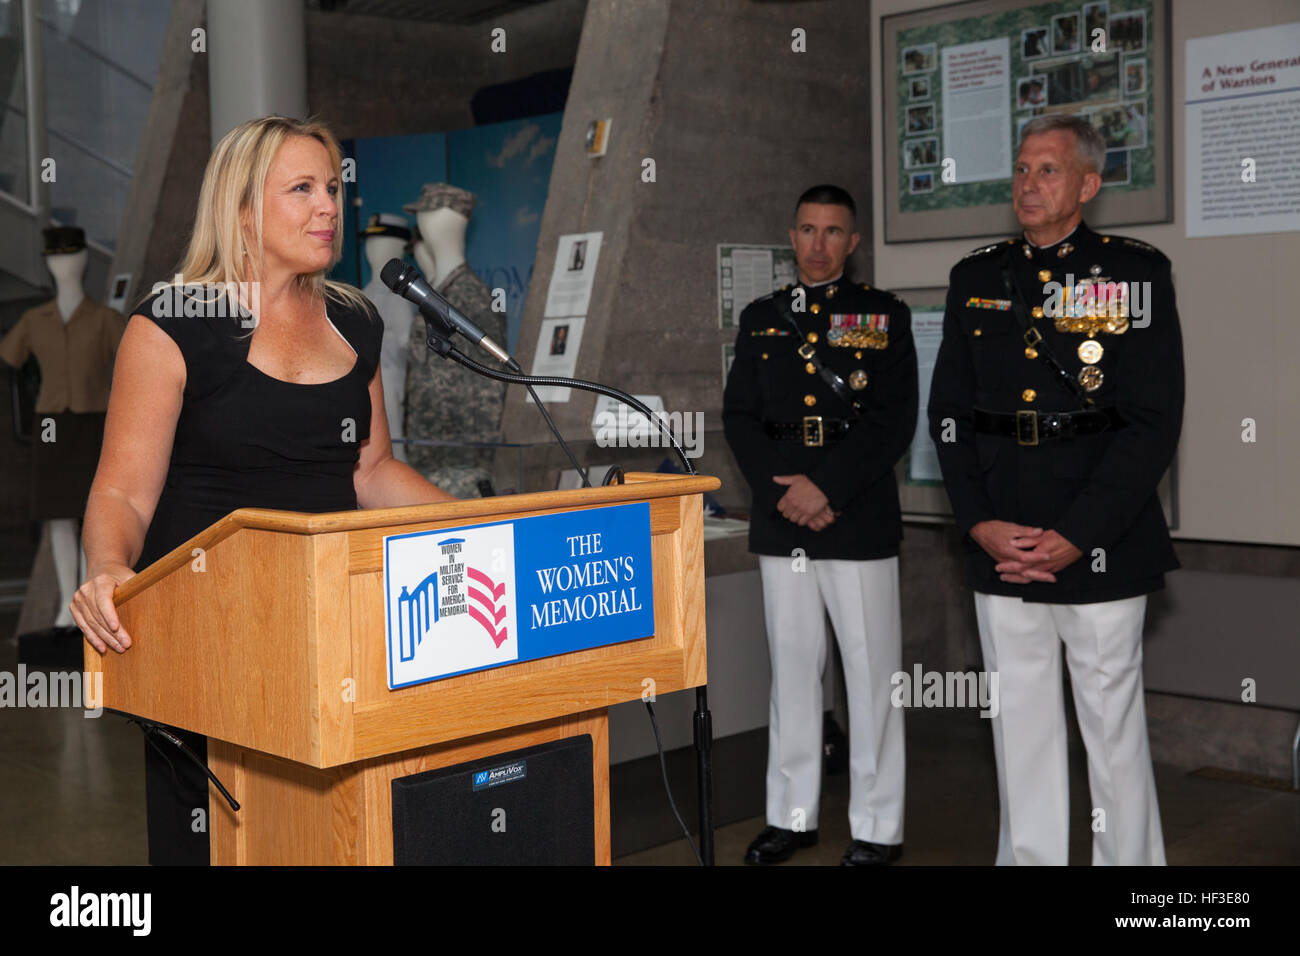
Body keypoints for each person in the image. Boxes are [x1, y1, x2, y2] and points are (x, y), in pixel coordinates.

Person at [69, 115, 455, 866]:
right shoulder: (173, 324)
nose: (328, 207)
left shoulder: (355, 318)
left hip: (329, 632)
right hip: (209, 646)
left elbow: (371, 469)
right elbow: (122, 494)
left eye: (334, 188)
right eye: (302, 189)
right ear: (242, 207)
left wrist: (489, 528)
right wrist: (109, 567)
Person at [927, 113, 1182, 865]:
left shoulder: (1135, 272)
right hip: (1001, 538)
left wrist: (1081, 536)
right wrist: (977, 524)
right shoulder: (977, 276)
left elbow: (1152, 423)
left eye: (1047, 170)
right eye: (1021, 169)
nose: (1028, 184)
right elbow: (949, 416)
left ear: (1088, 185)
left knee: (1111, 733)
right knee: (1020, 732)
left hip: (1101, 539)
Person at [723, 185, 917, 866]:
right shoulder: (761, 317)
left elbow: (894, 419)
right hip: (784, 516)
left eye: (833, 232)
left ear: (853, 242)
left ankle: (876, 827)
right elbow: (740, 416)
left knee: (871, 676)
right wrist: (785, 495)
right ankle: (792, 815)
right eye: (807, 230)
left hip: (855, 512)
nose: (817, 245)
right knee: (794, 671)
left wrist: (825, 487)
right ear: (791, 234)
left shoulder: (883, 316)